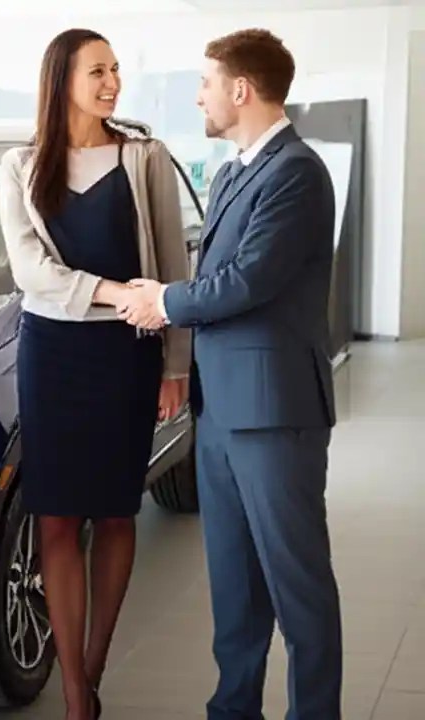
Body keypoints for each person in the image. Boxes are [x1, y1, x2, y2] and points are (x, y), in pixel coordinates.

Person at [120, 29, 342, 720]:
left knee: (297, 587)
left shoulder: (296, 172)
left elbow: (247, 280)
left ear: (240, 89)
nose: (200, 97)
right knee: (235, 586)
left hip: (276, 412)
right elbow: (218, 273)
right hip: (223, 413)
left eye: (207, 83)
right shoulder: (236, 170)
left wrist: (161, 302)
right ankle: (234, 708)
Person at [0, 29, 191, 720]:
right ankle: (76, 691)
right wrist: (116, 293)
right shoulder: (20, 167)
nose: (112, 81)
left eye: (115, 69)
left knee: (115, 513)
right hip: (53, 355)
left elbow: (173, 268)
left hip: (127, 359)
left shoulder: (145, 157)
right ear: (61, 81)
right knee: (55, 518)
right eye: (98, 71)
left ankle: (91, 669)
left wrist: (175, 364)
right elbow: (32, 275)